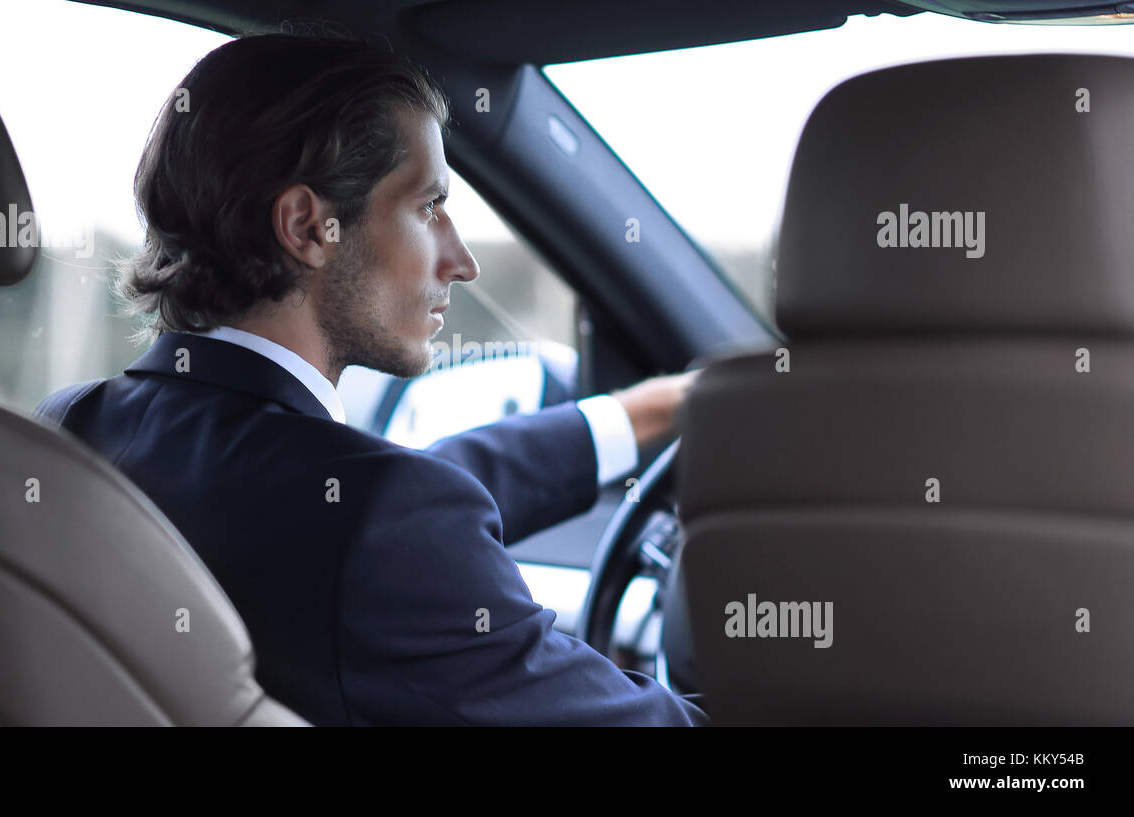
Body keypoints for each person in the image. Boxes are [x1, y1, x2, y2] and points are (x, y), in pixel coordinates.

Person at [36, 32, 707, 726]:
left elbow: (378, 498)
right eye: (428, 208)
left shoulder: (68, 430)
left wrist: (644, 412)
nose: (462, 260)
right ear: (307, 226)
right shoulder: (382, 523)